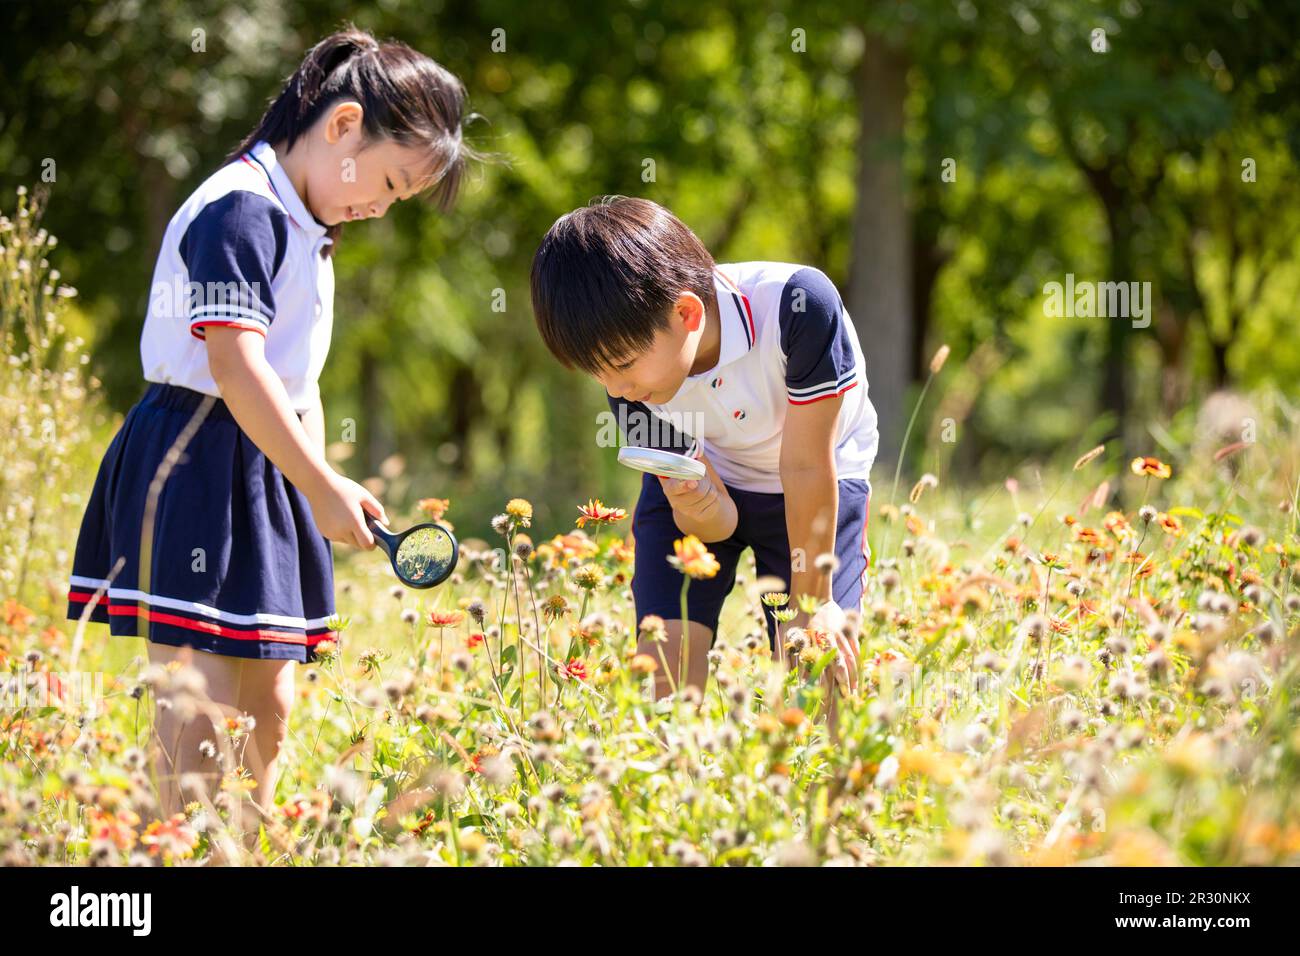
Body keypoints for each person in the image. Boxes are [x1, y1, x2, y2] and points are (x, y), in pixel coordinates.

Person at [65, 27, 478, 822]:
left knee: (269, 708)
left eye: (397, 199)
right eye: (387, 182)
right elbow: (235, 366)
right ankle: (176, 850)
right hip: (193, 457)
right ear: (343, 125)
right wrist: (315, 482)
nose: (379, 207)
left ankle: (242, 849)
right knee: (202, 711)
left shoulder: (308, 227)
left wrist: (319, 491)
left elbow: (298, 383)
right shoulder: (242, 210)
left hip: (265, 468)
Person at [530, 196, 877, 714]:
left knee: (815, 664)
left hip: (816, 477)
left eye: (622, 365)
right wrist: (697, 500)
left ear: (686, 313)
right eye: (598, 374)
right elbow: (716, 529)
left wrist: (814, 603)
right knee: (662, 668)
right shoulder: (631, 389)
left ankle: (827, 786)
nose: (616, 391)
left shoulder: (798, 306)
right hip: (716, 480)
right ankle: (675, 779)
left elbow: (806, 464)